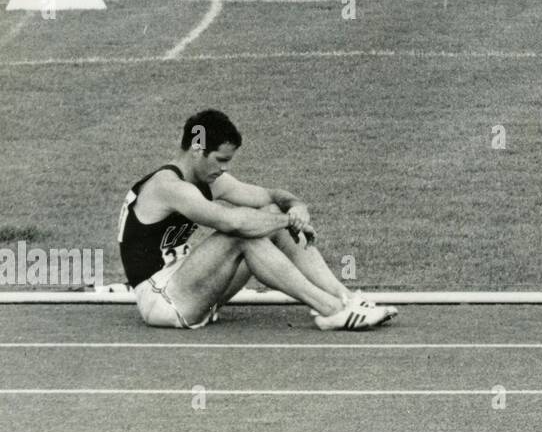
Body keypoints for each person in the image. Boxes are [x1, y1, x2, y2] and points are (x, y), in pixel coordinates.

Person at [117, 109, 396, 331]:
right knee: (242, 235)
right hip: (161, 299)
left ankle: (345, 297)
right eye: (220, 159)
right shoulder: (168, 186)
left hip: (189, 287)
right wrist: (288, 222)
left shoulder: (209, 180)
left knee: (271, 214)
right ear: (196, 149)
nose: (225, 168)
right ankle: (332, 311)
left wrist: (296, 207)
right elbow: (233, 224)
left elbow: (268, 195)